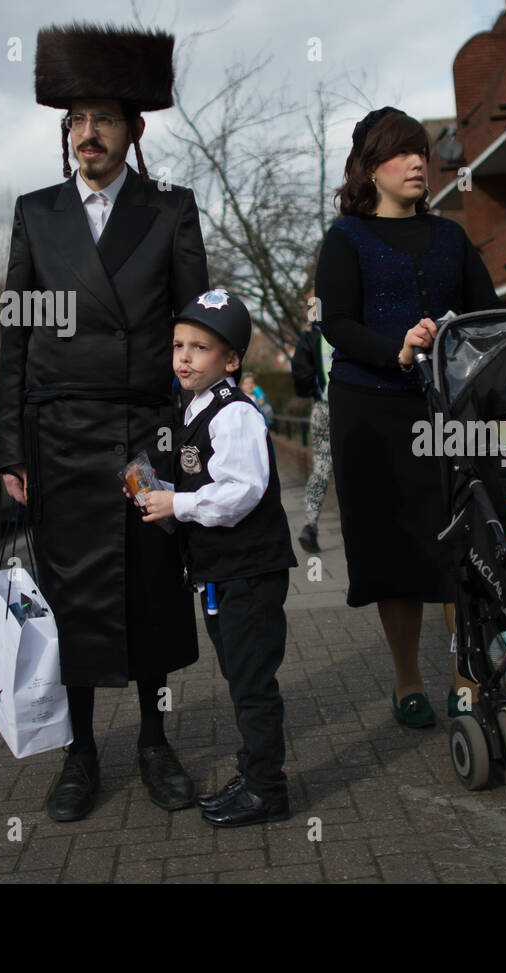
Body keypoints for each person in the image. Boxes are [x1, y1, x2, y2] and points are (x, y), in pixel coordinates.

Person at [0, 23, 208, 822]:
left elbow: (198, 333)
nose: (89, 131)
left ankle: (155, 739)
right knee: (72, 596)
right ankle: (80, 752)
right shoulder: (36, 215)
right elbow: (14, 337)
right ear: (67, 131)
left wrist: (191, 437)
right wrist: (11, 446)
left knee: (152, 590)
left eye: (105, 118)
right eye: (78, 118)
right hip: (60, 439)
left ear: (133, 131)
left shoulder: (171, 211)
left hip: (145, 435)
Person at [315, 107, 500, 728]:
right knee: (393, 549)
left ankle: (467, 679)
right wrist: (396, 347)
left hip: (449, 410)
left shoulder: (450, 235)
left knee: (463, 542)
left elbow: (486, 313)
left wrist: (470, 336)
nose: (419, 162)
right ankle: (407, 680)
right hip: (370, 411)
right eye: (402, 153)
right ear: (371, 168)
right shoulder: (346, 237)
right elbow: (336, 322)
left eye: (422, 151)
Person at [128, 288, 297, 827]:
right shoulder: (194, 408)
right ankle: (254, 774)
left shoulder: (236, 415)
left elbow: (242, 490)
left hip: (250, 571)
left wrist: (177, 500)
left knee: (252, 683)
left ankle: (268, 789)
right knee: (240, 675)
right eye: (178, 345)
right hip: (223, 573)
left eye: (199, 347)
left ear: (230, 359)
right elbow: (207, 483)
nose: (183, 357)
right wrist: (162, 494)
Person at [290, 316, 333, 554]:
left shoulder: (310, 336)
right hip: (350, 405)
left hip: (322, 407)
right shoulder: (347, 328)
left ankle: (310, 524)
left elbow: (300, 377)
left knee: (321, 467)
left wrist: (316, 388)